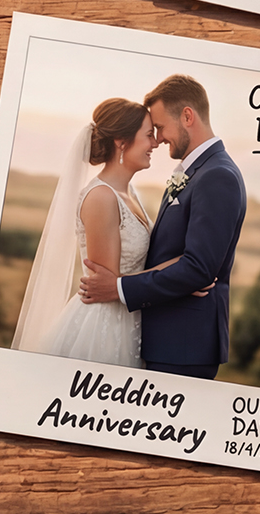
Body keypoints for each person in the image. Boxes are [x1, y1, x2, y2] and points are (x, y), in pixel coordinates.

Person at [79, 75, 245, 379]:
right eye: (151, 132)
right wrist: (181, 271)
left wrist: (119, 287)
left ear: (187, 116)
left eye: (160, 127)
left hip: (184, 343)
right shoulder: (194, 172)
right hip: (160, 337)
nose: (158, 139)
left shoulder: (216, 175)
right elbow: (178, 257)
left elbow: (199, 268)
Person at [12, 99, 158, 366]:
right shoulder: (101, 197)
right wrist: (179, 274)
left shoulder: (130, 193)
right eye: (149, 135)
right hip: (105, 330)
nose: (155, 144)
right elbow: (108, 284)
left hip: (133, 319)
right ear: (122, 142)